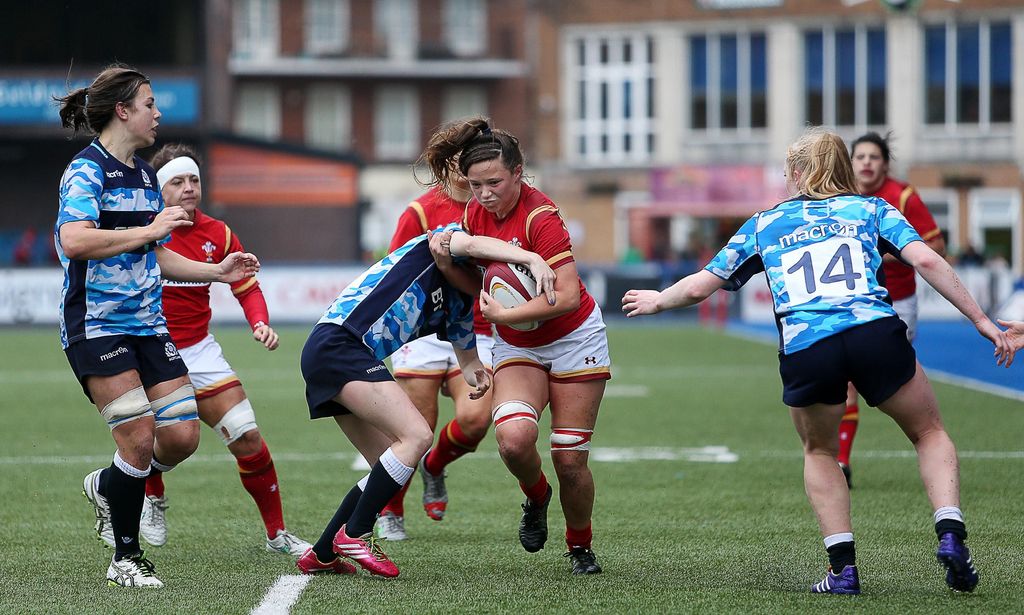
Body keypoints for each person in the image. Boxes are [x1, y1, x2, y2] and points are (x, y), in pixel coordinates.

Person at [621, 127, 1014, 594]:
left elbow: (703, 284)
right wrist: (983, 321)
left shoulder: (766, 223)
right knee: (929, 432)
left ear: (801, 171)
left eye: (790, 168)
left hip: (809, 347)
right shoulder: (870, 208)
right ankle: (950, 533)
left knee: (820, 451)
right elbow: (928, 262)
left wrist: (657, 300)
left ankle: (843, 570)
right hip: (874, 333)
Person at [55, 64, 260, 588]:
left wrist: (216, 272)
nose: (157, 112)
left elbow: (157, 255)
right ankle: (126, 557)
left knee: (183, 437)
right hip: (98, 326)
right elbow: (75, 241)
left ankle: (107, 485)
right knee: (140, 440)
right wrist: (149, 229)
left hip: (148, 326)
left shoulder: (147, 175)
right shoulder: (86, 172)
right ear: (123, 111)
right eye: (149, 103)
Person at [296, 222, 556, 578]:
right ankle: (355, 533)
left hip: (335, 352)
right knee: (417, 437)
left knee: (385, 465)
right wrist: (531, 259)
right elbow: (470, 241)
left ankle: (323, 553)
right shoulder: (443, 241)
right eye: (488, 275)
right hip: (340, 344)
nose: (488, 286)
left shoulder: (461, 305)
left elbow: (468, 361)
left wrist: (477, 375)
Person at [420, 117, 612, 575]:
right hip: (518, 345)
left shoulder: (540, 217)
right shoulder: (472, 215)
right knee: (512, 440)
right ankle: (536, 496)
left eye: (494, 182)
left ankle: (579, 545)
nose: (485, 193)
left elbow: (564, 296)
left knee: (569, 457)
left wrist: (504, 317)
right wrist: (448, 268)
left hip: (573, 338)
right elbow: (476, 282)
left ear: (519, 172)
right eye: (475, 184)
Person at [138, 143, 310, 557]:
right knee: (171, 441)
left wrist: (260, 322)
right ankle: (152, 488)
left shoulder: (219, 233)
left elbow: (246, 285)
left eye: (194, 179)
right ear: (160, 190)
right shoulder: (143, 231)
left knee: (248, 437)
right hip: (153, 354)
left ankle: (276, 534)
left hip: (200, 351)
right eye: (177, 181)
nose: (188, 188)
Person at [374, 172, 496, 541]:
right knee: (414, 427)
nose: (467, 169)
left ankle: (435, 464)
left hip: (476, 326)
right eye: (458, 157)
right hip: (424, 330)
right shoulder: (421, 211)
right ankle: (392, 508)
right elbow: (395, 271)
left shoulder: (492, 209)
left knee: (475, 420)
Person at [838, 132, 948, 487]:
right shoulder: (842, 198)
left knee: (899, 385)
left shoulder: (902, 196)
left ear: (885, 163)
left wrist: (889, 251)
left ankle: (927, 442)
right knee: (848, 382)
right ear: (850, 163)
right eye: (860, 157)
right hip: (853, 303)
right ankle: (842, 463)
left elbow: (937, 245)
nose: (867, 163)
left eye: (874, 157)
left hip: (897, 302)